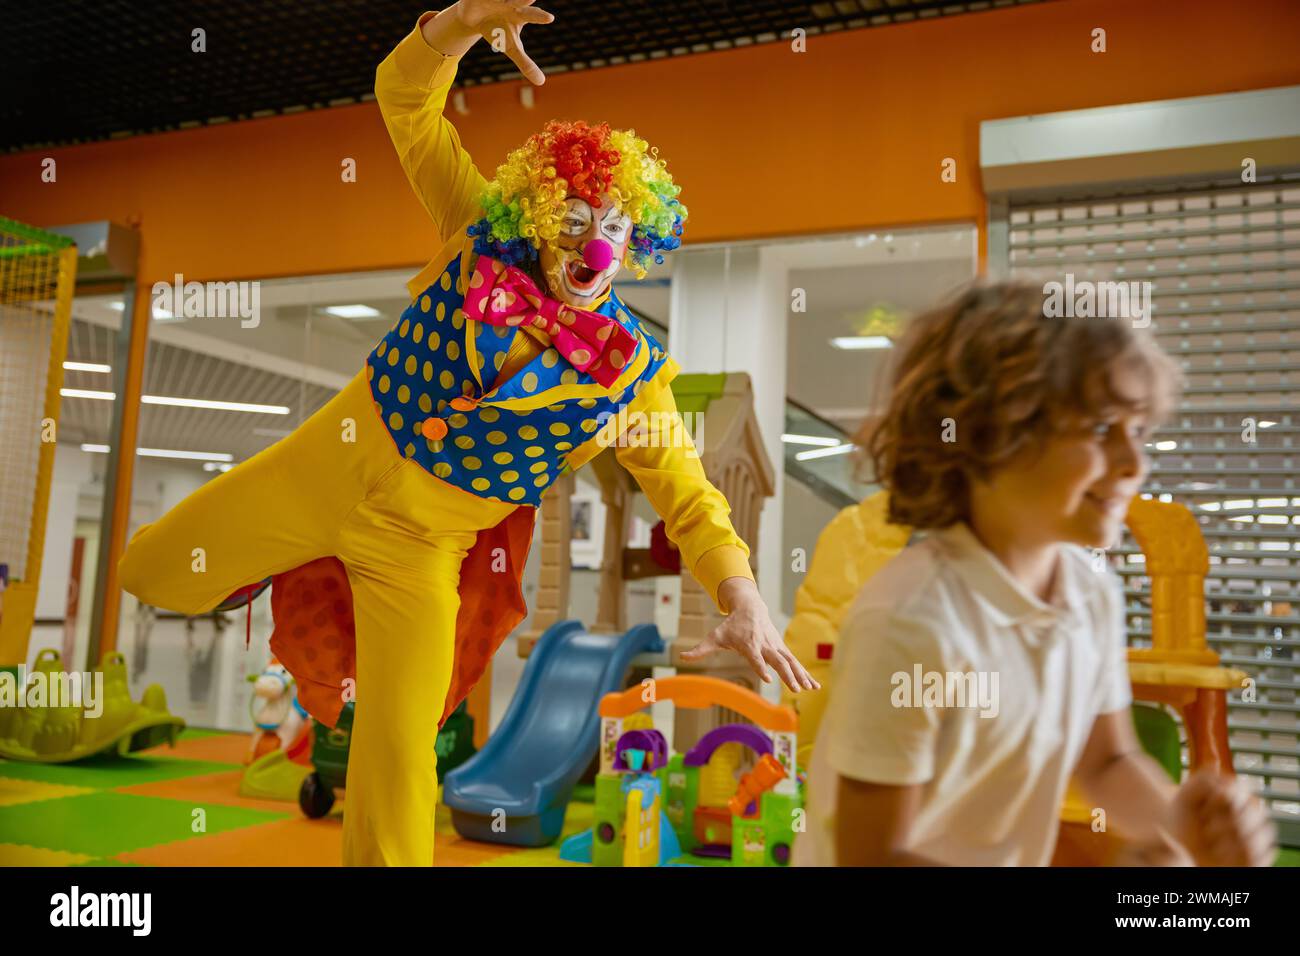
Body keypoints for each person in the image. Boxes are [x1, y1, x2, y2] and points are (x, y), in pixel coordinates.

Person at [119, 1, 815, 866]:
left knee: (400, 754)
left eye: (613, 230)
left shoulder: (628, 372)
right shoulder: (476, 234)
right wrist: (451, 27)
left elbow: (687, 492)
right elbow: (404, 104)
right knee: (147, 572)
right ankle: (278, 559)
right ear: (537, 215)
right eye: (573, 221)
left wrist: (741, 595)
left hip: (419, 554)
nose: (591, 249)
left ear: (637, 241)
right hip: (327, 470)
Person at [794, 281, 1276, 867]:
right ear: (989, 435)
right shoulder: (911, 623)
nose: (1135, 462)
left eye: (1139, 431)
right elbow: (872, 858)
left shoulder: (1091, 590)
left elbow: (1107, 761)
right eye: (1101, 430)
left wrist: (1182, 827)